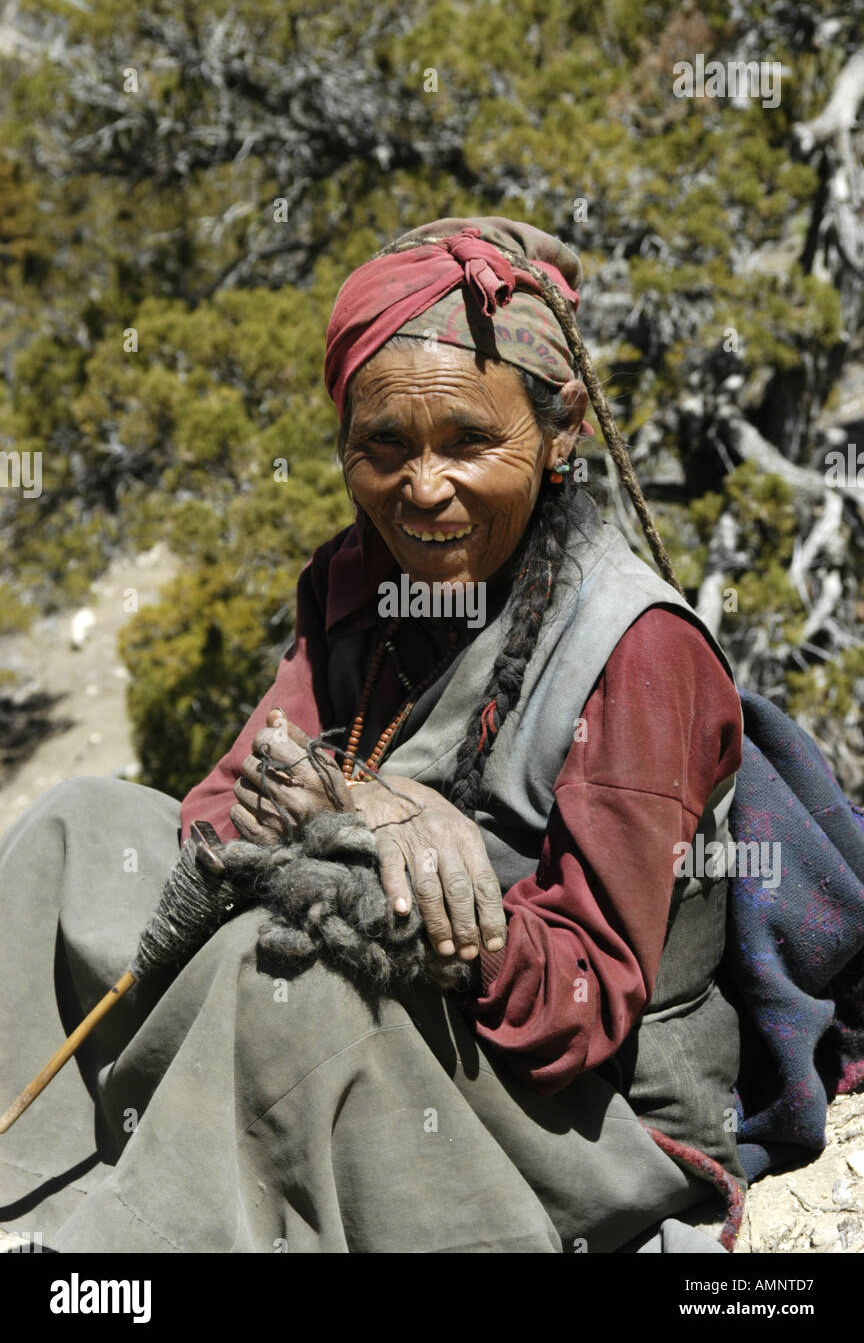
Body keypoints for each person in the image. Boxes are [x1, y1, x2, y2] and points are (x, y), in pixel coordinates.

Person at [0, 217, 745, 1254]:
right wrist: (315, 804)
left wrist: (438, 910)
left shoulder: (639, 651)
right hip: (390, 1008)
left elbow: (582, 1008)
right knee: (78, 827)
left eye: (470, 443)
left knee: (288, 973)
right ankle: (27, 1191)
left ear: (563, 427)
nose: (422, 488)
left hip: (580, 1116)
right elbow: (219, 806)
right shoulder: (360, 579)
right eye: (382, 447)